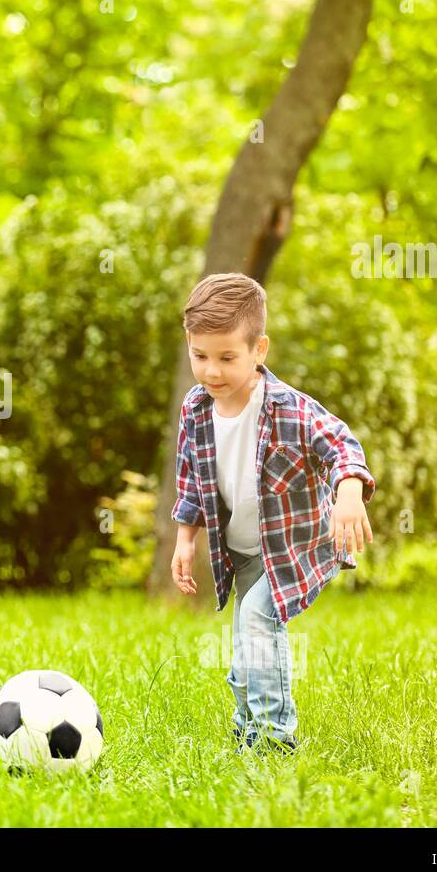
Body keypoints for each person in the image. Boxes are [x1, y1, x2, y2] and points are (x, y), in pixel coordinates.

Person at [169, 272, 375, 755]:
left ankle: (274, 740)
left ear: (259, 349)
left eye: (227, 357)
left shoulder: (288, 409)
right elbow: (190, 478)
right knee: (246, 650)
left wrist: (348, 493)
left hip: (293, 547)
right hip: (241, 554)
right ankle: (246, 727)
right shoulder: (196, 409)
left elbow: (342, 444)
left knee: (259, 620)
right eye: (200, 356)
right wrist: (185, 539)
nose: (211, 371)